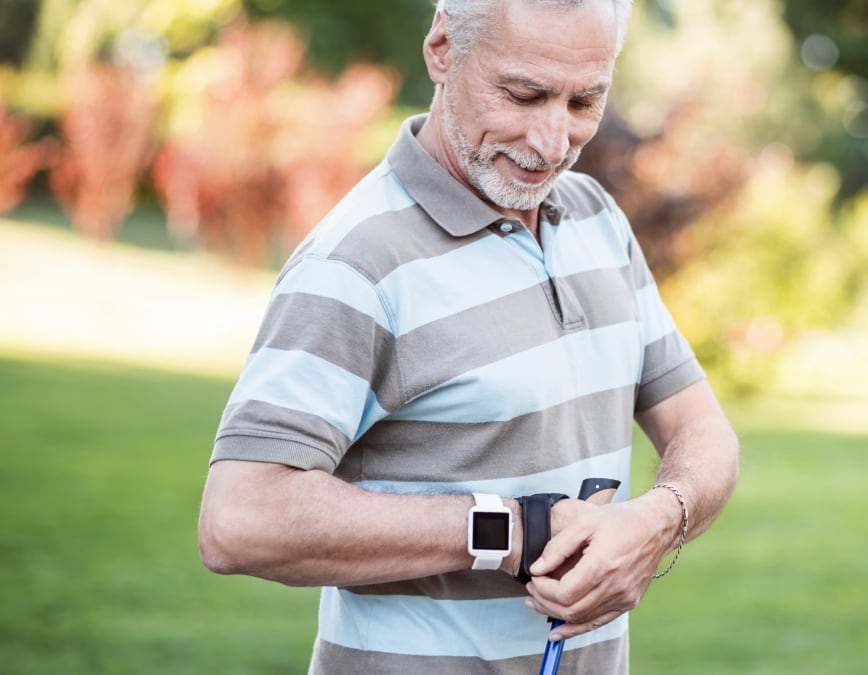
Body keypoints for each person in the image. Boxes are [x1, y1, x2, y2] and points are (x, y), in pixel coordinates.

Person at [196, 0, 740, 672]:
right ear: (442, 48)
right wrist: (509, 529)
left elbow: (704, 430)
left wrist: (657, 521)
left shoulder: (597, 219)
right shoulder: (357, 260)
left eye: (583, 101)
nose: (550, 142)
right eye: (524, 94)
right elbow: (240, 518)